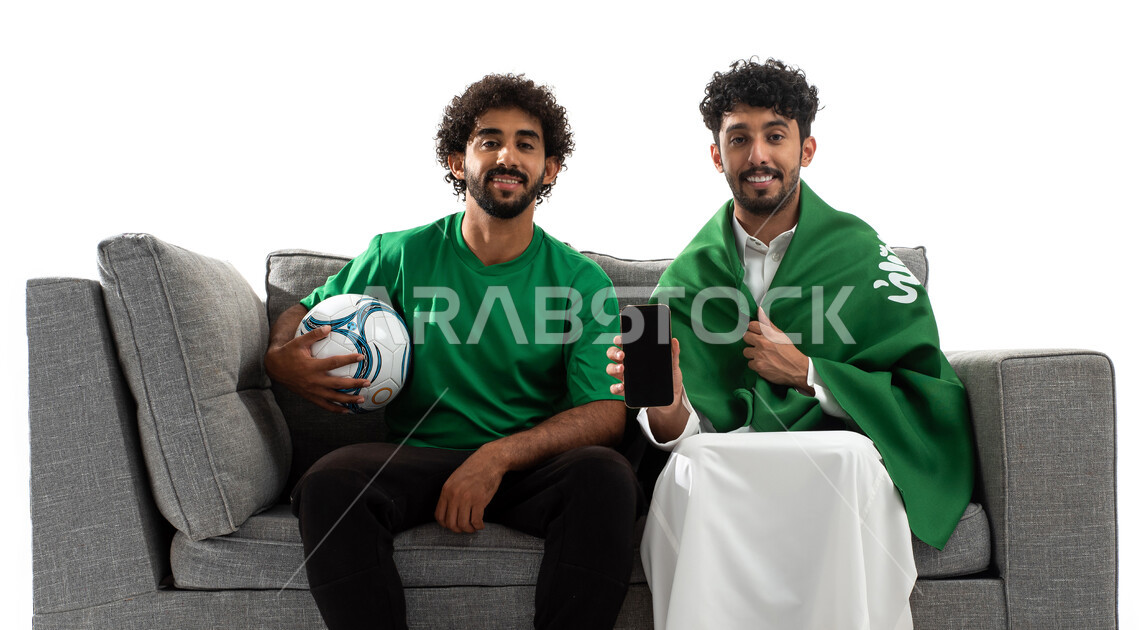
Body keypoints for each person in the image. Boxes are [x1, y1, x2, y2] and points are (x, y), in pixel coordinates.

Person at [606, 59, 975, 630]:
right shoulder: (688, 276)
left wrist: (808, 371)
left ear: (806, 150)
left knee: (852, 461)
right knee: (691, 469)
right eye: (739, 138)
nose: (758, 156)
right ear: (716, 155)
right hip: (727, 459)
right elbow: (681, 435)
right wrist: (669, 405)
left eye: (775, 136)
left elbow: (922, 385)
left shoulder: (862, 258)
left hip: (836, 448)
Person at [265, 74, 641, 630]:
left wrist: (497, 458)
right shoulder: (398, 255)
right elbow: (305, 309)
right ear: (457, 160)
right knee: (328, 482)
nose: (507, 155)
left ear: (550, 168)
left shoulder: (581, 281)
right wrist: (279, 356)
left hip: (530, 469)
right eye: (489, 140)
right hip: (418, 456)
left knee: (608, 476)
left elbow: (608, 413)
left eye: (526, 143)